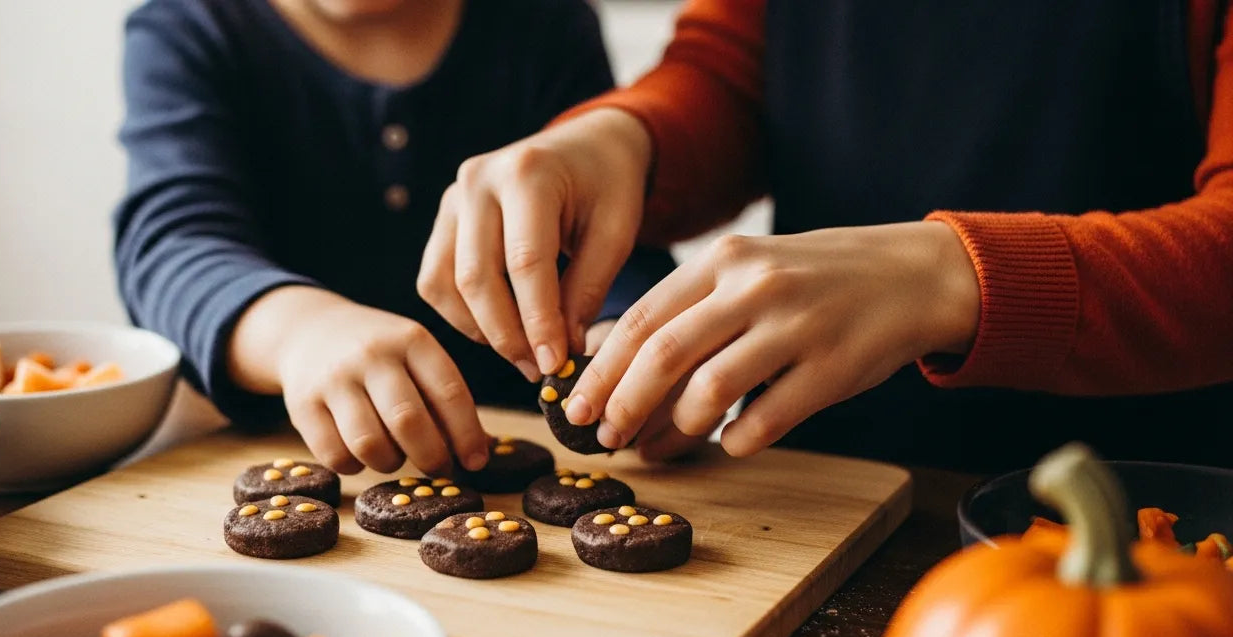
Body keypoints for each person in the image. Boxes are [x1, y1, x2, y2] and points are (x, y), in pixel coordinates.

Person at [419, 0, 1233, 471]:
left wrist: (951, 278)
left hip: (1149, 518)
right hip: (821, 489)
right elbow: (739, 71)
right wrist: (624, 137)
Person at [113, 0, 676, 475]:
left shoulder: (544, 19)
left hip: (545, 440)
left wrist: (626, 332)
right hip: (288, 447)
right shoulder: (190, 27)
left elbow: (610, 230)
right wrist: (299, 333)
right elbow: (172, 246)